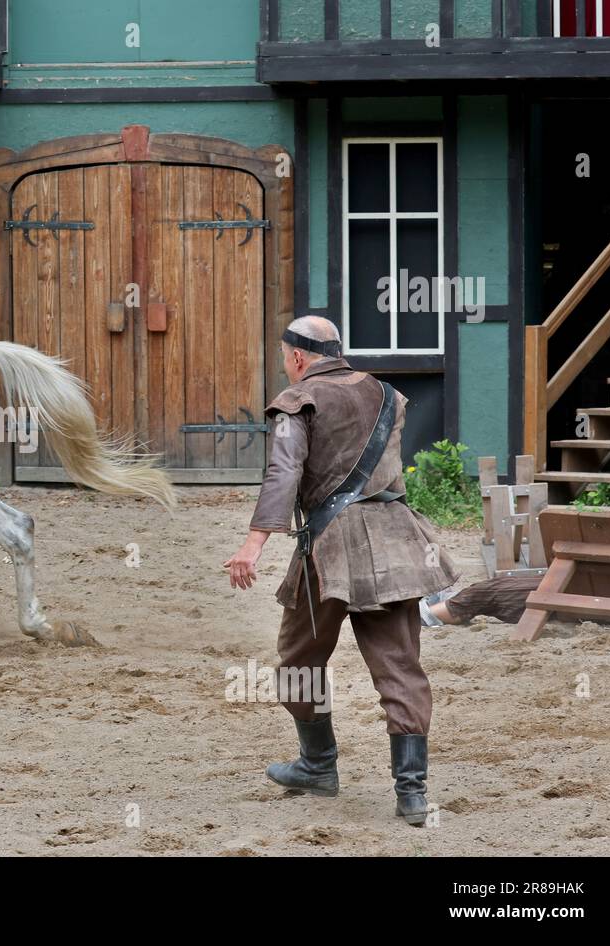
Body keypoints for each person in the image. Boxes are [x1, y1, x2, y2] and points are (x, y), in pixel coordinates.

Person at [223, 316, 458, 826]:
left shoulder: (297, 400)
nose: (286, 365)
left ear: (299, 357)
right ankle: (412, 794)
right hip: (397, 546)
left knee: (298, 661)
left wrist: (253, 542)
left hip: (329, 548)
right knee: (401, 668)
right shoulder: (388, 395)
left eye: (286, 356)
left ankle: (317, 764)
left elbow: (283, 471)